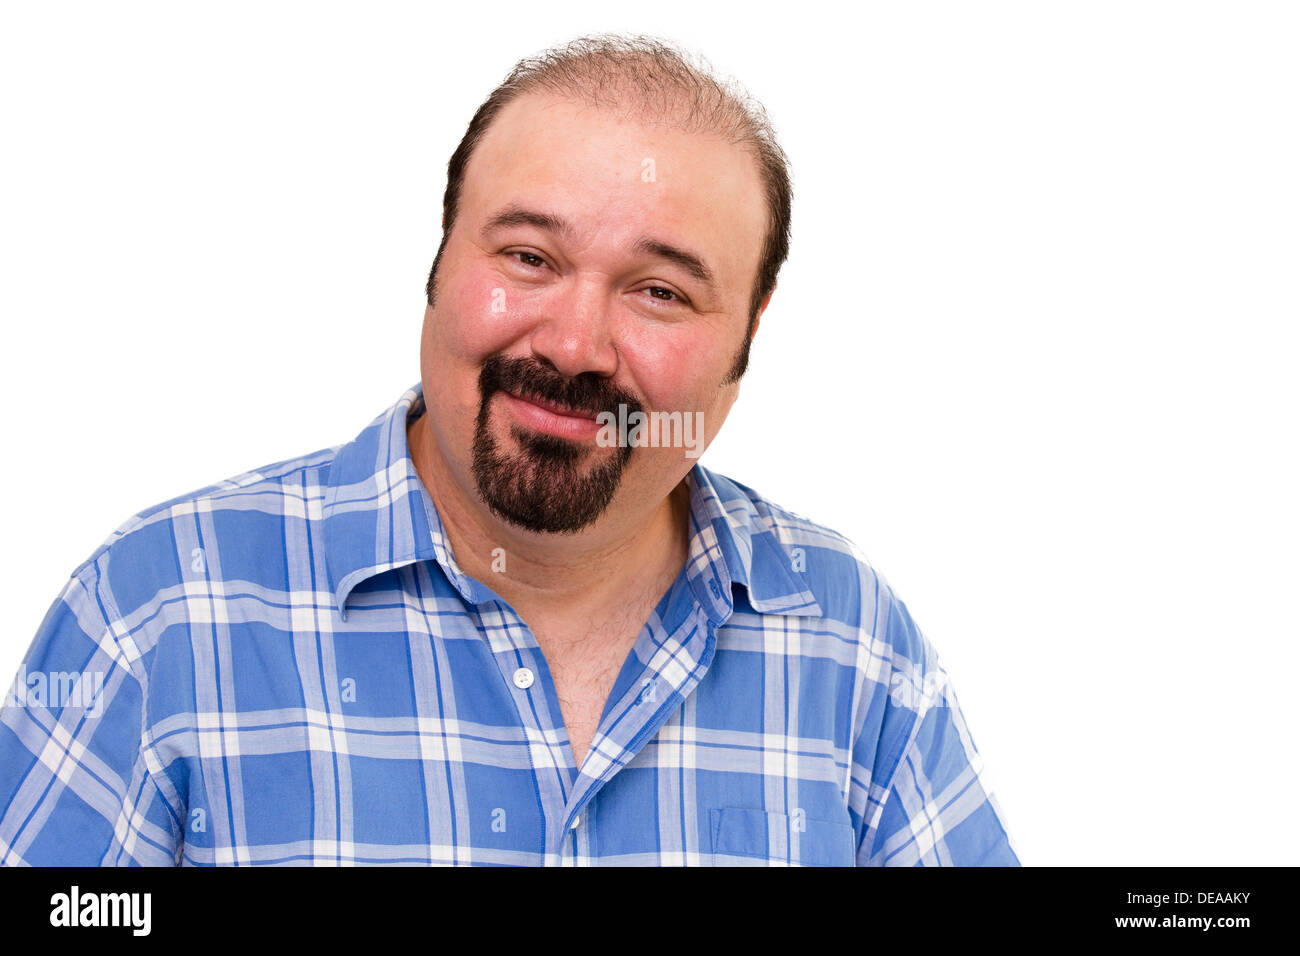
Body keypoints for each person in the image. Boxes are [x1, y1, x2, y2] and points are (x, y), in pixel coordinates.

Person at [0, 34, 1020, 866]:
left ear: (748, 332)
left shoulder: (852, 645)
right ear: (440, 263)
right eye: (528, 257)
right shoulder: (157, 613)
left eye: (659, 291)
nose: (573, 346)